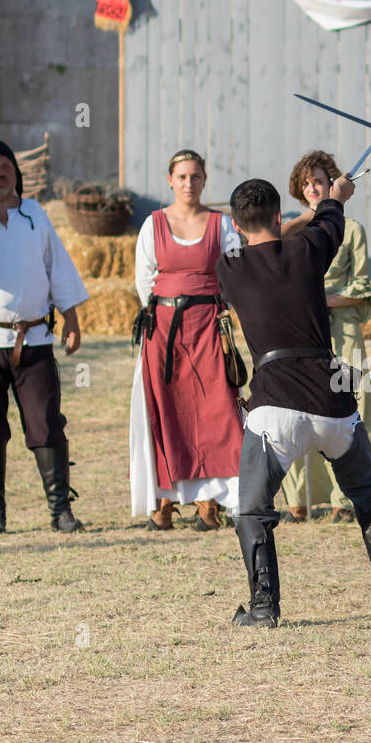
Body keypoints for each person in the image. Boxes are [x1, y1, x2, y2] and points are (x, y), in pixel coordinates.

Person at [216, 174, 371, 627]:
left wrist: (311, 213)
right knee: (369, 491)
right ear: (279, 216)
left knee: (254, 510)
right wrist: (334, 197)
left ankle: (263, 607)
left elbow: (284, 234)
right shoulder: (308, 250)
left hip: (274, 403)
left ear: (236, 226)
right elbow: (330, 220)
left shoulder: (229, 267)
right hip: (331, 400)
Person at [0, 140, 89, 534]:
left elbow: (57, 267)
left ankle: (60, 510)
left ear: (17, 174)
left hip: (35, 338)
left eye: (5, 167)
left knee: (45, 423)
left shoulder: (34, 215)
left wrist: (72, 317)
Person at [129, 149, 243, 531]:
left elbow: (234, 272)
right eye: (182, 177)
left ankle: (210, 502)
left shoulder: (220, 225)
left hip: (209, 326)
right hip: (163, 330)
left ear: (204, 180)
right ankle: (164, 500)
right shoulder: (154, 224)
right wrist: (159, 313)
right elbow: (144, 279)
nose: (189, 183)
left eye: (195, 176)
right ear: (170, 181)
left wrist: (221, 313)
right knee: (166, 410)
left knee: (216, 410)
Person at [278, 150, 371, 522]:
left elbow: (361, 288)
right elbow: (265, 252)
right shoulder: (292, 230)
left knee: (347, 409)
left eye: (319, 181)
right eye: (307, 183)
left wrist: (319, 298)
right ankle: (301, 497)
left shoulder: (352, 229)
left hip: (341, 330)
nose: (313, 188)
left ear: (333, 184)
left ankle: (349, 499)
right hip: (300, 331)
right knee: (299, 409)